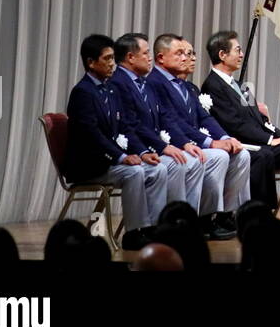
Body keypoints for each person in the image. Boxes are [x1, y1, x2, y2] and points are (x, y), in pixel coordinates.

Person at [200, 30, 280, 231]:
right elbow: (235, 125)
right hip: (246, 145)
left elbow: (260, 121)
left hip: (263, 140)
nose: (242, 54)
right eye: (238, 50)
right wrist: (271, 141)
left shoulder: (240, 85)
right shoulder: (212, 86)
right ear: (222, 55)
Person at [62, 34, 170, 251]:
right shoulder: (83, 92)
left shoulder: (110, 88)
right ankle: (134, 233)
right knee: (134, 173)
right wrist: (121, 157)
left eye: (113, 58)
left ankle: (152, 229)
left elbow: (124, 128)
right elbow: (92, 135)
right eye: (107, 59)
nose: (112, 63)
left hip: (109, 161)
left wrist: (141, 153)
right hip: (89, 165)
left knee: (157, 169)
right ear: (91, 63)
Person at [146, 33, 250, 239]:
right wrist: (210, 142)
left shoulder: (185, 85)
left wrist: (226, 138)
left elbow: (204, 117)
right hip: (171, 144)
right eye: (180, 53)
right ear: (160, 58)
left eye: (188, 54)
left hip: (193, 142)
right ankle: (198, 219)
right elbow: (171, 122)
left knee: (241, 155)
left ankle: (223, 215)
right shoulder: (155, 83)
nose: (187, 58)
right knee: (218, 157)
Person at [108, 32, 204, 212]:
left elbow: (164, 117)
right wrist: (159, 147)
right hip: (133, 150)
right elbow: (131, 124)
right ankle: (167, 223)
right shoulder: (118, 83)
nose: (149, 58)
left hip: (151, 147)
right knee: (177, 163)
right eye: (145, 53)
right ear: (130, 57)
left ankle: (187, 220)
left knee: (192, 161)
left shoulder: (142, 82)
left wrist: (184, 143)